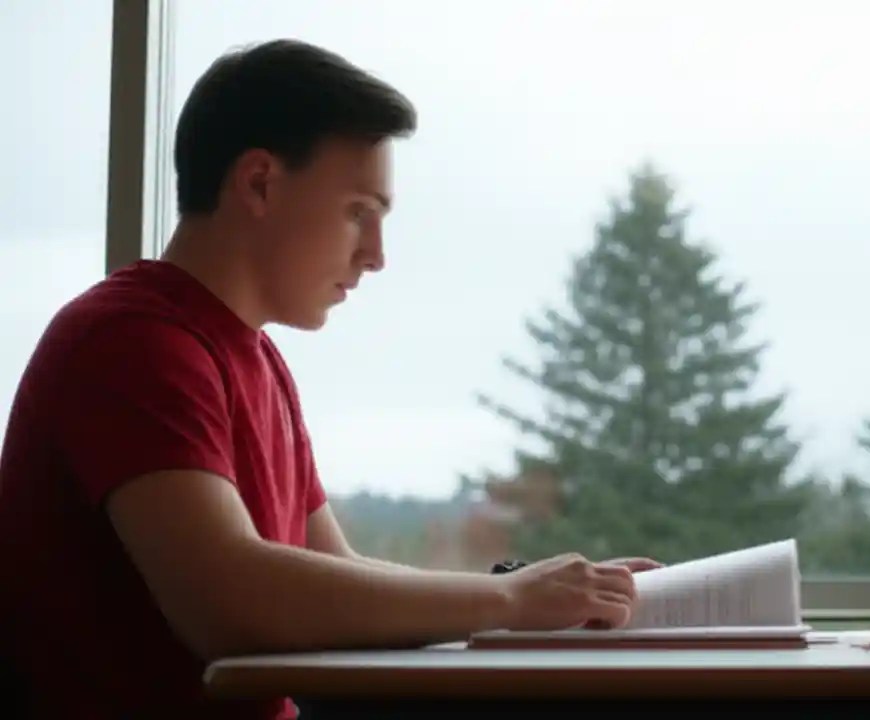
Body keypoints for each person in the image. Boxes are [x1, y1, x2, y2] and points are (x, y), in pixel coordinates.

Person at [0, 39, 657, 719]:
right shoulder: (131, 342)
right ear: (258, 183)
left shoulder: (253, 361)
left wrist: (542, 598)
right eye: (358, 212)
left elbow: (335, 579)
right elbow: (230, 600)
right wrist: (512, 602)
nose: (375, 256)